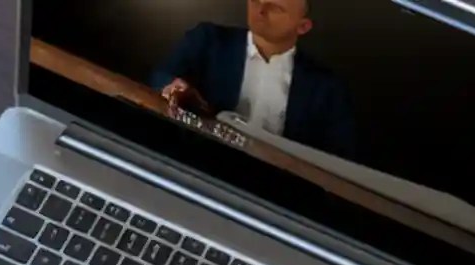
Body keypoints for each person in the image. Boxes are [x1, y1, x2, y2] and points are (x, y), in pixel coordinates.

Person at [150, 0, 358, 160]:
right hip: (196, 162)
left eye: (275, 7)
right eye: (256, 0)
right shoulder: (208, 40)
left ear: (302, 26)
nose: (259, 11)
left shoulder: (325, 87)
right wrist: (173, 87)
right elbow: (160, 77)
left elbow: (340, 157)